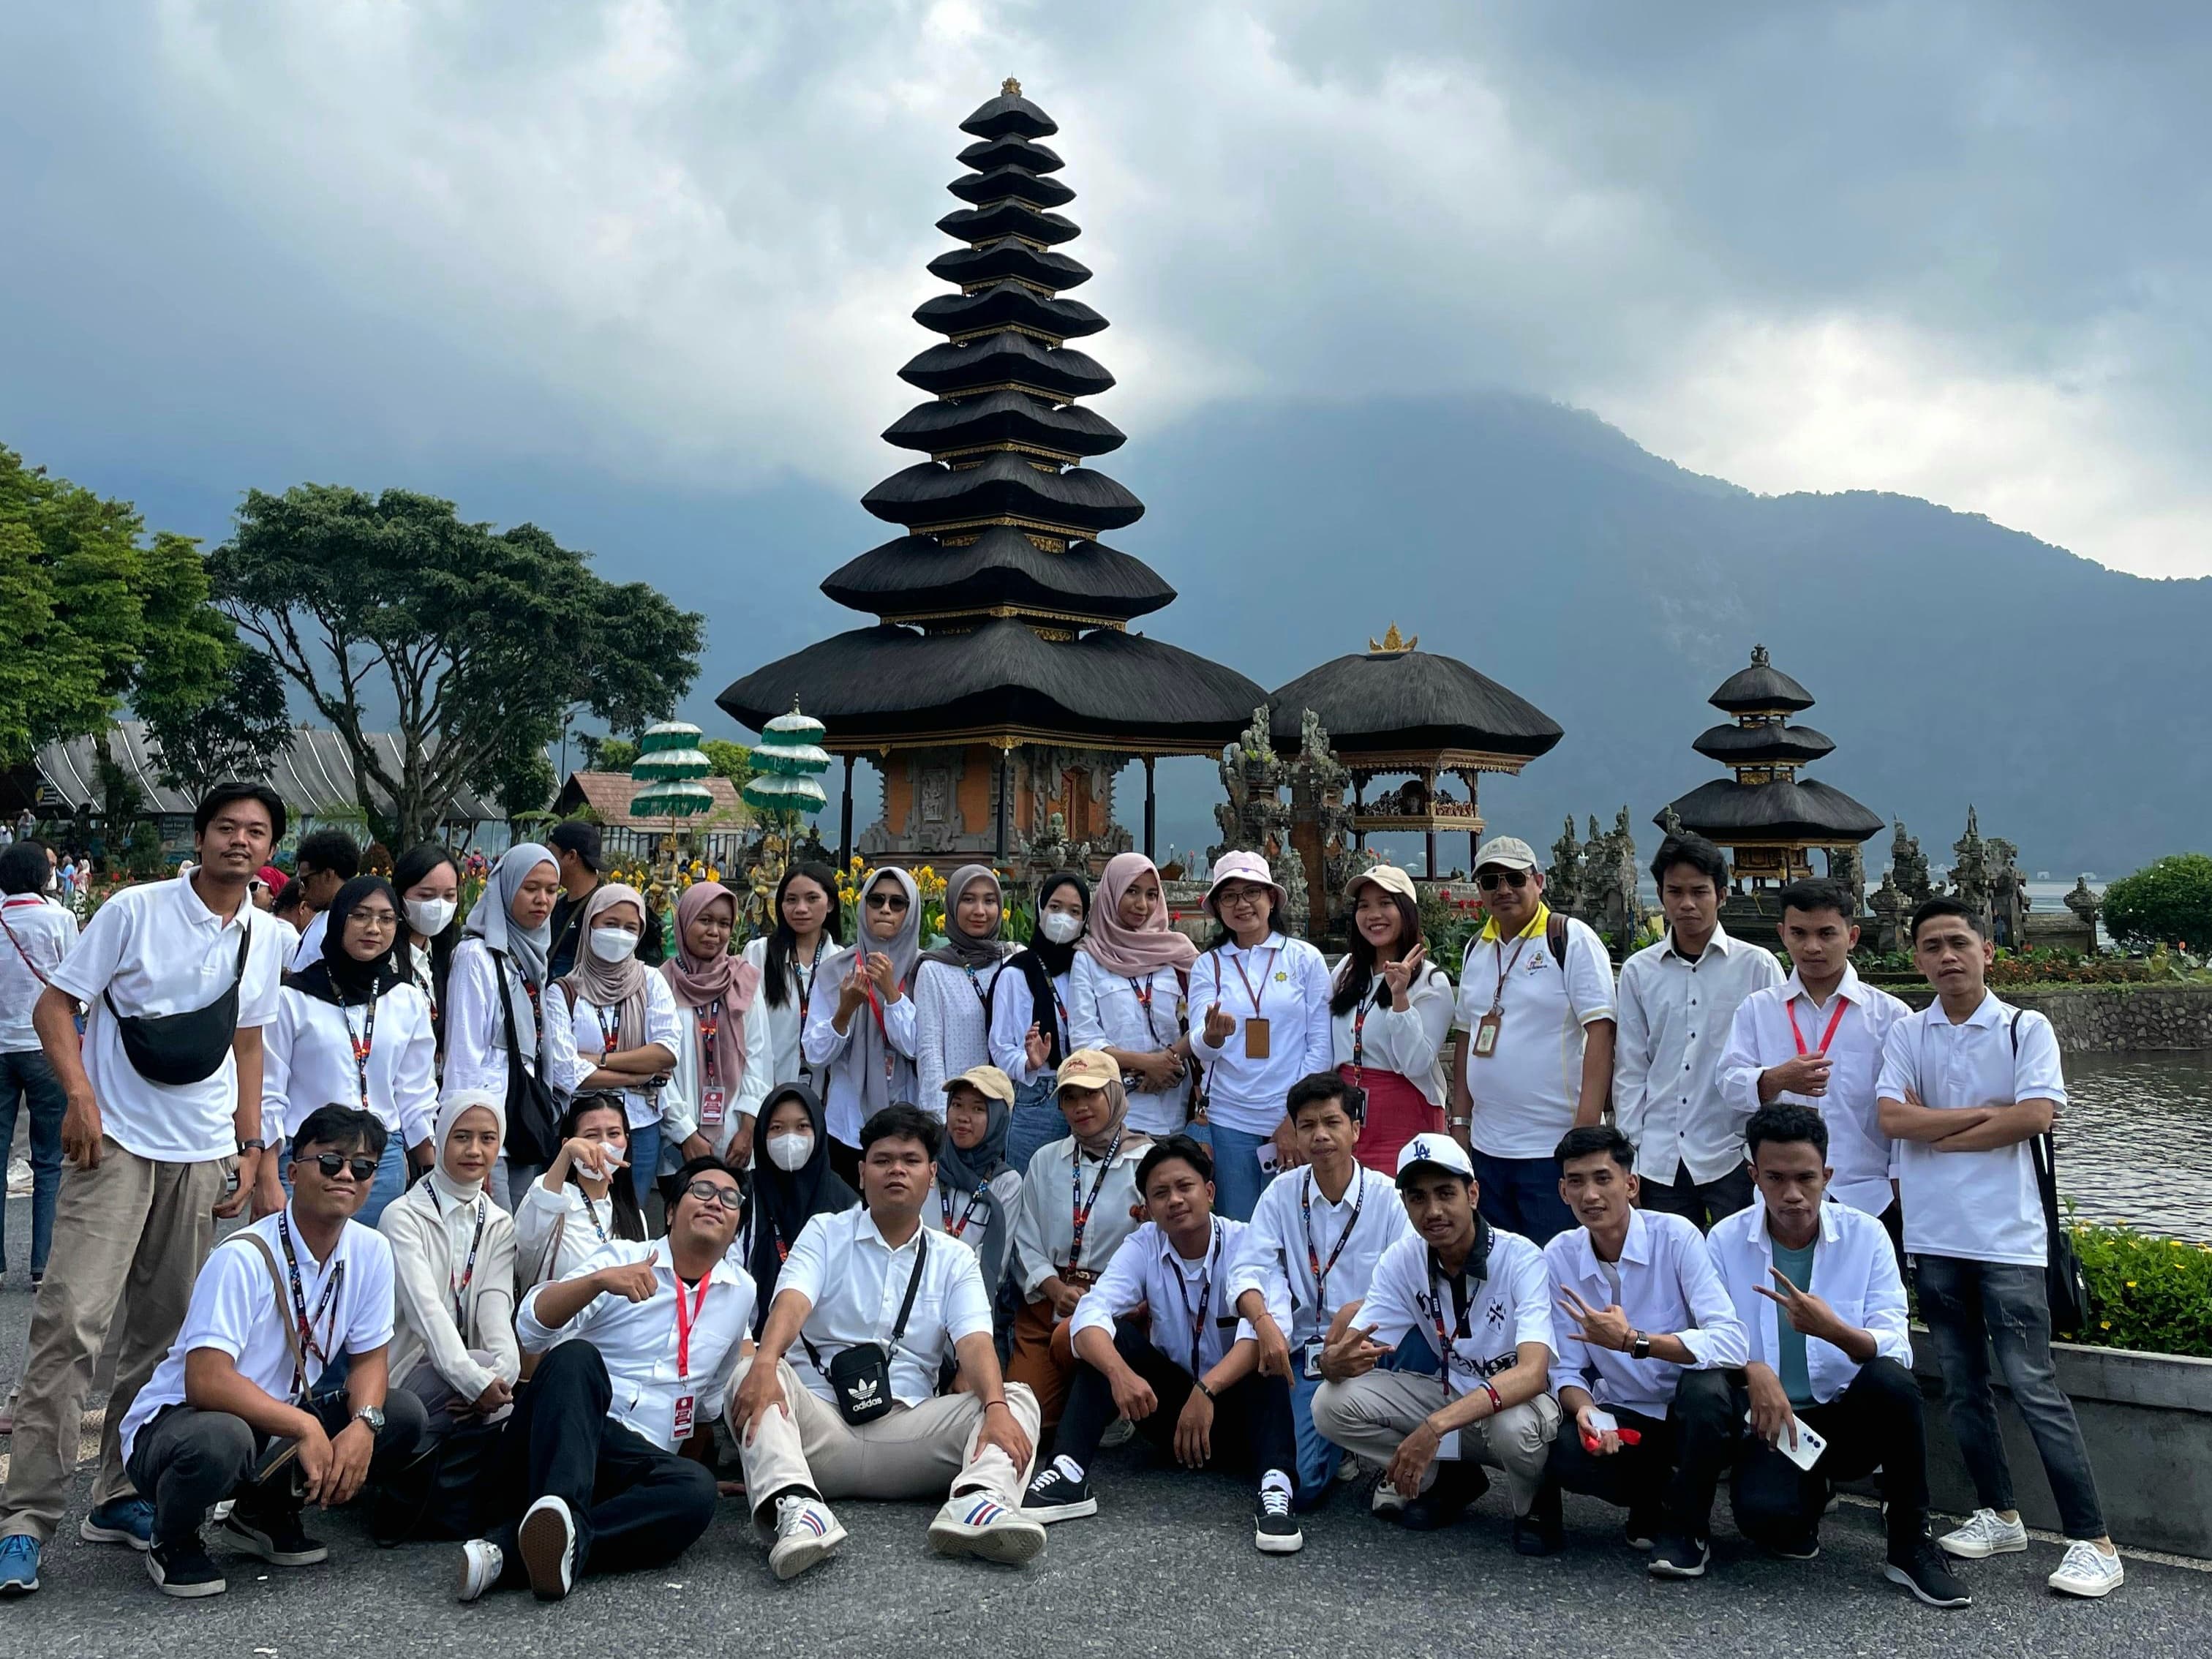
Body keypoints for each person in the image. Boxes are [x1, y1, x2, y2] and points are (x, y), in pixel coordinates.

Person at [0, 783, 290, 1594]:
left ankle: (118, 1491)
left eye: (257, 833)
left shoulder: (265, 936)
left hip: (202, 1157)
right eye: (227, 828)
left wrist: (249, 1144)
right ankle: (24, 1519)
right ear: (198, 838)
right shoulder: (132, 911)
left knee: (165, 1340)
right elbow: (59, 1007)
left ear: (272, 851)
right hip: (115, 1147)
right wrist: (80, 1097)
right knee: (69, 1326)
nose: (240, 842)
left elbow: (249, 1044)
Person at [1876, 896, 2121, 1600]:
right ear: (1916, 956)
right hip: (1934, 1235)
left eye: (1959, 942)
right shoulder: (1908, 1031)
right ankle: (1999, 1512)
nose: (1947, 956)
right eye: (1932, 945)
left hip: (2009, 1237)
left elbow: (2036, 1116)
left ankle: (2093, 1540)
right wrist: (1986, 1114)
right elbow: (1890, 1115)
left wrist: (1937, 1130)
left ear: (1988, 949)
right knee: (1961, 1385)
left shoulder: (2023, 1026)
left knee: (2035, 1385)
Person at [111, 1105, 429, 1598]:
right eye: (331, 1161)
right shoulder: (242, 1258)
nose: (347, 1174)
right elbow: (207, 1380)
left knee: (401, 1413)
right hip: (181, 1423)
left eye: (362, 1167)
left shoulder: (371, 1250)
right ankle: (171, 1538)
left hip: (271, 1417)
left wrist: (365, 1424)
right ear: (293, 1171)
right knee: (224, 1437)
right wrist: (303, 1425)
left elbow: (370, 1360)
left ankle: (260, 1514)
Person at [726, 1102, 1046, 1580]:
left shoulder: (955, 1257)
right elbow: (791, 1301)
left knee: (1014, 1399)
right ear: (861, 1172)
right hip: (819, 1429)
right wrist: (767, 1359)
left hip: (910, 1432)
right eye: (883, 1159)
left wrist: (995, 1405)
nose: (896, 1169)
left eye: (911, 1160)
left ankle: (978, 1502)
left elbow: (976, 1341)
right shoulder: (825, 1231)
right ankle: (799, 1509)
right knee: (751, 1372)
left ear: (931, 1174)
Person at [1701, 1103, 1968, 1607]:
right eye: (1775, 1178)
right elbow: (1710, 1335)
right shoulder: (1725, 1240)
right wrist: (1752, 1368)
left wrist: (1837, 1332)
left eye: (1805, 1178)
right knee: (1768, 1521)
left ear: (1827, 1175)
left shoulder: (1866, 1236)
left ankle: (1910, 1546)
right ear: (1753, 1175)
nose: (1792, 1194)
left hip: (1846, 1420)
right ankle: (1806, 1496)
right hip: (1774, 1422)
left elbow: (1896, 1344)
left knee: (1892, 1382)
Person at [462, 1155, 750, 1600]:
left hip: (631, 1465)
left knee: (695, 1491)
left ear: (736, 1229)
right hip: (564, 1436)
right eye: (702, 1191)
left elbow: (705, 1405)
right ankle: (556, 1514)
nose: (716, 1202)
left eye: (730, 1199)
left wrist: (684, 1467)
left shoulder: (741, 1293)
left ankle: (513, 1550)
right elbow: (531, 1328)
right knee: (576, 1357)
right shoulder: (623, 1257)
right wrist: (597, 1282)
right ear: (670, 1211)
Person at [1023, 1135, 1303, 1554]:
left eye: (1184, 1187)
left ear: (1209, 1192)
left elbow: (1271, 1330)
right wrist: (1119, 1374)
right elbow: (1091, 1313)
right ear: (1148, 1208)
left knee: (1266, 1351)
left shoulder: (1248, 1242)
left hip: (1238, 1411)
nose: (1174, 1200)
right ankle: (1068, 1471)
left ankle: (1276, 1488)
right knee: (1107, 1341)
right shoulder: (1142, 1244)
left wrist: (1207, 1390)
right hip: (1170, 1415)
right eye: (1160, 1193)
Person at [1312, 1132, 1560, 1546]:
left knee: (1512, 1428)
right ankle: (1447, 1476)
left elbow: (1534, 1374)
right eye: (1418, 1198)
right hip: (1449, 1394)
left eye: (1446, 1193)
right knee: (1329, 1403)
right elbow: (1357, 1344)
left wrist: (1434, 1427)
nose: (1434, 1211)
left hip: (1515, 1404)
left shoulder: (1521, 1257)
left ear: (1473, 1193)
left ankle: (1534, 1499)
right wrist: (1332, 1362)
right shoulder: (1404, 1258)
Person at [1533, 1124, 1748, 1577]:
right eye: (1576, 1182)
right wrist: (1590, 1413)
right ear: (1562, 1191)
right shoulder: (1559, 1256)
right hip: (1628, 1411)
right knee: (1567, 1449)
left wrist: (1635, 1342)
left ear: (1631, 1185)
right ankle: (1655, 1499)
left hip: (1694, 1413)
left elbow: (1730, 1341)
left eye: (1603, 1178)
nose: (1590, 1194)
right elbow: (1566, 1370)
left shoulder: (1677, 1236)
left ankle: (1690, 1530)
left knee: (1706, 1390)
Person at [1229, 1072, 1417, 1508]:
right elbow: (1247, 1269)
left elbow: (1412, 1284)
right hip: (1307, 1351)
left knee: (1303, 1474)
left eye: (1332, 1123)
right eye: (1308, 1126)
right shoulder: (1282, 1193)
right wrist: (1263, 1322)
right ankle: (1338, 1439)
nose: (1320, 1135)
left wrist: (1355, 1314)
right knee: (1305, 1484)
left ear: (1355, 1129)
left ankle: (1381, 1445)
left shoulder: (1389, 1198)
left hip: (1372, 1348)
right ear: (1294, 1133)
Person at [1719, 878, 1909, 1252]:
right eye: (1799, 933)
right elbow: (1728, 1083)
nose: (1812, 947)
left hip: (1867, 1190)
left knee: (1869, 1304)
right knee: (1777, 1299)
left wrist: (1900, 1180)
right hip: (1781, 1195)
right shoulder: (1758, 1009)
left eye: (1826, 934)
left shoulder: (1890, 1016)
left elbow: (1903, 1110)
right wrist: (1775, 1079)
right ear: (1782, 934)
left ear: (1852, 936)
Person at [1448, 835, 1616, 1244]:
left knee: (1556, 1271)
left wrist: (1584, 1132)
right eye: (1490, 881)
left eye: (1514, 878)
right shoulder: (1476, 949)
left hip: (1551, 1148)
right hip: (1488, 1150)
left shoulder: (1568, 938)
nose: (1503, 889)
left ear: (1538, 882)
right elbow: (1467, 1038)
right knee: (1500, 1271)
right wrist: (1460, 1126)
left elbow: (1601, 1030)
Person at [1612, 834, 1782, 1232]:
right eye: (1675, 892)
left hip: (1734, 1150)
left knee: (1743, 1266)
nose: (1687, 903)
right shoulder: (1639, 971)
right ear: (1660, 894)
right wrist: (1628, 1155)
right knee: (1666, 1272)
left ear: (1722, 895)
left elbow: (1774, 1062)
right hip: (1660, 1156)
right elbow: (1632, 1068)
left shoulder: (1757, 967)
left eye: (1699, 892)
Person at [259, 876, 437, 1227]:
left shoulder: (406, 1000)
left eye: (386, 918)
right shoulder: (293, 998)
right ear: (339, 918)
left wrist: (434, 1172)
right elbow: (269, 1092)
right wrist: (266, 1174)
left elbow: (415, 1094)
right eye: (360, 915)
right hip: (309, 1157)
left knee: (367, 1270)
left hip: (379, 1163)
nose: (374, 928)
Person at [1007, 1050, 1153, 1432]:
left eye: (1091, 1094)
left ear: (1116, 1095)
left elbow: (1157, 1246)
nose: (1080, 1107)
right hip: (1050, 1299)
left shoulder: (1148, 1161)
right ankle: (1083, 1402)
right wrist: (1054, 1289)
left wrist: (1120, 1298)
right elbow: (1027, 1235)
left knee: (1075, 1342)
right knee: (1027, 1418)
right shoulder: (1046, 1159)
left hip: (1121, 1306)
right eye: (1069, 1097)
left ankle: (1104, 1403)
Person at [1187, 850, 1333, 1222]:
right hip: (1230, 1117)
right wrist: (1214, 1037)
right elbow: (1199, 1045)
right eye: (1230, 896)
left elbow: (1320, 1046)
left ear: (1271, 898)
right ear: (1218, 907)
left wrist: (1293, 1117)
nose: (1242, 904)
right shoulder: (1210, 965)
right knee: (1238, 1227)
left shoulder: (1304, 958)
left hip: (1291, 1117)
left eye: (1252, 892)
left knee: (1296, 1229)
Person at [379, 1089, 520, 1431]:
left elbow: (495, 1306)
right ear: (440, 1140)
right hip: (402, 1375)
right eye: (462, 1137)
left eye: (487, 1139)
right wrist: (472, 1381)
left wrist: (499, 1375)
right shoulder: (403, 1217)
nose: (474, 1150)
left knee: (498, 1392)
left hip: (470, 1365)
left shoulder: (499, 1223)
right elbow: (425, 1312)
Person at [542, 883, 682, 1211]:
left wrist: (597, 1059)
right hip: (582, 1126)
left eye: (630, 928)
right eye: (610, 924)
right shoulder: (563, 992)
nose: (620, 934)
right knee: (579, 1215)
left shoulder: (651, 981)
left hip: (640, 1126)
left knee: (630, 1216)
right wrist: (637, 1076)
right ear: (590, 924)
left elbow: (665, 1053)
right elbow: (567, 1073)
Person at [443, 843, 560, 1209]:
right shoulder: (476, 956)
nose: (542, 900)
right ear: (506, 888)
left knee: (523, 1242)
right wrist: (468, 1138)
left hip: (525, 1124)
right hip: (489, 1129)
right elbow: (463, 1054)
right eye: (530, 888)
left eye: (551, 890)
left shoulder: (532, 956)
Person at [1067, 851, 1195, 1154]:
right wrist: (1148, 1064)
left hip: (1178, 1102)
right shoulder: (1089, 958)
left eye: (1152, 895)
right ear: (1111, 894)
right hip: (1121, 1111)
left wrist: (1171, 1059)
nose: (1142, 905)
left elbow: (1206, 1019)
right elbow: (1085, 1039)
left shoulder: (1178, 954)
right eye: (1132, 892)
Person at [1327, 864, 1452, 1174]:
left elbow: (1416, 1063)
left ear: (1406, 911)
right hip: (1346, 1110)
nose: (1373, 915)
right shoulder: (1347, 971)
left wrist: (1399, 1000)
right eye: (1364, 906)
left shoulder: (1431, 981)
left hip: (1403, 1114)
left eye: (1385, 903)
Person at [802, 866, 920, 1186]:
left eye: (898, 903)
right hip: (846, 1123)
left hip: (907, 1120)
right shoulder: (834, 970)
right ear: (863, 906)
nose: (885, 909)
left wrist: (892, 994)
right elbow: (814, 1053)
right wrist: (845, 1011)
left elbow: (918, 1048)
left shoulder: (926, 970)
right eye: (876, 900)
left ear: (911, 913)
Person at [0, 841, 75, 1287]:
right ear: (43, 877)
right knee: (47, 1159)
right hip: (48, 1047)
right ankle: (41, 1264)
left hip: (0, 1046)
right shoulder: (59, 919)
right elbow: (76, 979)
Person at [660, 881, 769, 1175]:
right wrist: (684, 1133)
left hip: (736, 1139)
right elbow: (659, 1066)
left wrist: (748, 1127)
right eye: (704, 920)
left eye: (724, 923)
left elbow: (758, 1055)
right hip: (678, 1140)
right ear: (684, 921)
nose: (714, 932)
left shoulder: (743, 979)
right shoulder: (660, 983)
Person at [740, 1083, 859, 1334]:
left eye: (802, 1127)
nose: (790, 1138)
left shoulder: (847, 1204)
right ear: (762, 1134)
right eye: (777, 1128)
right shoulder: (743, 1195)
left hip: (824, 1347)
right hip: (750, 1340)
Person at [989, 870, 1088, 1170]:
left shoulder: (1085, 970)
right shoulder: (1016, 973)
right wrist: (1029, 1062)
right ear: (1040, 909)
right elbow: (1000, 1047)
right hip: (1037, 1096)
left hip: (1085, 1090)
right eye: (1055, 908)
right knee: (1029, 1191)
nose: (1063, 919)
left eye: (1074, 912)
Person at [516, 1094, 651, 1292]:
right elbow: (524, 1244)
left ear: (627, 1141)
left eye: (614, 1134)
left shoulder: (634, 1214)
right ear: (568, 1145)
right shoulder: (553, 1198)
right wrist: (566, 1155)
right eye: (591, 1136)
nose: (603, 1145)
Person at [914, 865, 1015, 1110]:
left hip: (1010, 1108)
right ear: (952, 904)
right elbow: (930, 1051)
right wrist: (941, 1114)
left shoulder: (1014, 960)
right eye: (968, 900)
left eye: (989, 901)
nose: (980, 911)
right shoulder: (934, 970)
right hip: (959, 1111)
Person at [742, 861, 845, 1099]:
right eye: (791, 900)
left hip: (823, 1092)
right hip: (766, 1089)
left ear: (830, 903)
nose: (801, 908)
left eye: (812, 899)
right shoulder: (759, 953)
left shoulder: (840, 961)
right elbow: (745, 1028)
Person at [928, 1066, 1024, 1318]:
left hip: (968, 1303)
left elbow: (997, 1264)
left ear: (998, 1118)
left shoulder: (1007, 1183)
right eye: (957, 1105)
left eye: (978, 1109)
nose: (963, 1116)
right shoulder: (928, 1164)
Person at [545, 820, 663, 978]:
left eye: (551, 854)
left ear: (571, 856)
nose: (547, 862)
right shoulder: (558, 904)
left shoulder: (610, 910)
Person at [391, 843, 462, 1062]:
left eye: (449, 896)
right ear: (400, 894)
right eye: (426, 895)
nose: (439, 906)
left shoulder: (446, 955)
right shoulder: (386, 959)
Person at [284, 828, 364, 974]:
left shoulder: (345, 927)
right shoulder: (324, 917)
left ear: (328, 875)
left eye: (305, 882)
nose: (301, 892)